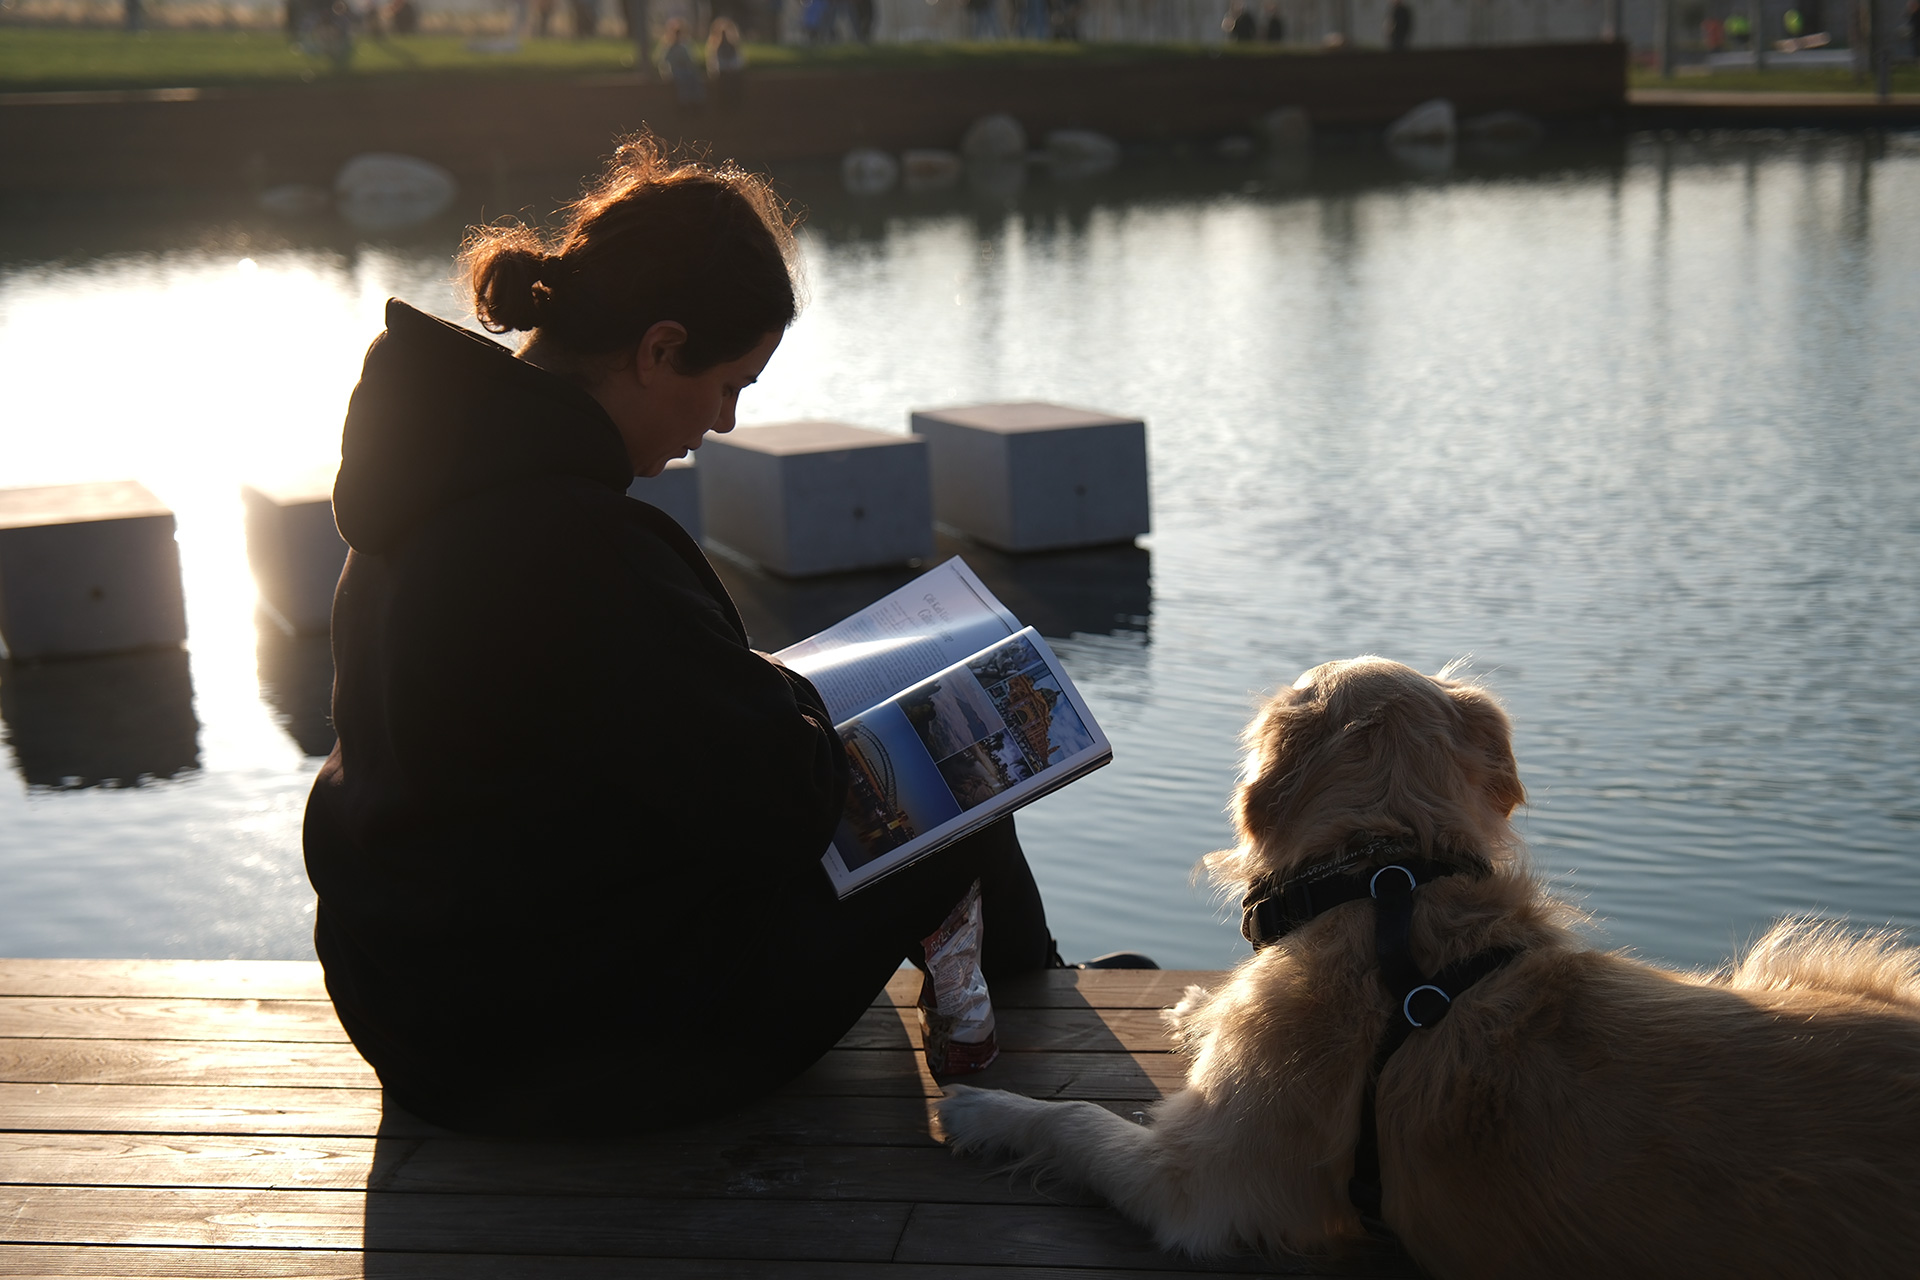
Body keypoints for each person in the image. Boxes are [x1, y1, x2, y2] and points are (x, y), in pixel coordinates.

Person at [304, 139, 1074, 1136]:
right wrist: (799, 696)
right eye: (728, 385)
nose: (720, 422)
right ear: (659, 348)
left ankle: (1001, 981)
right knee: (961, 764)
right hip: (553, 1054)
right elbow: (779, 802)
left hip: (415, 1005)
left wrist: (755, 691)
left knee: (911, 762)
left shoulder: (424, 488)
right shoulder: (581, 541)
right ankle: (1046, 1009)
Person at [660, 18, 705, 109]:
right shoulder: (669, 47)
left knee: (694, 78)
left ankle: (697, 101)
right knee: (682, 81)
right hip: (676, 71)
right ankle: (683, 103)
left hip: (686, 69)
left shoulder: (685, 45)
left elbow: (691, 59)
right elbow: (664, 61)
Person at [706, 17, 745, 108]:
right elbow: (713, 62)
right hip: (721, 72)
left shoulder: (733, 46)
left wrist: (732, 67)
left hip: (733, 72)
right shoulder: (715, 46)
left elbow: (739, 60)